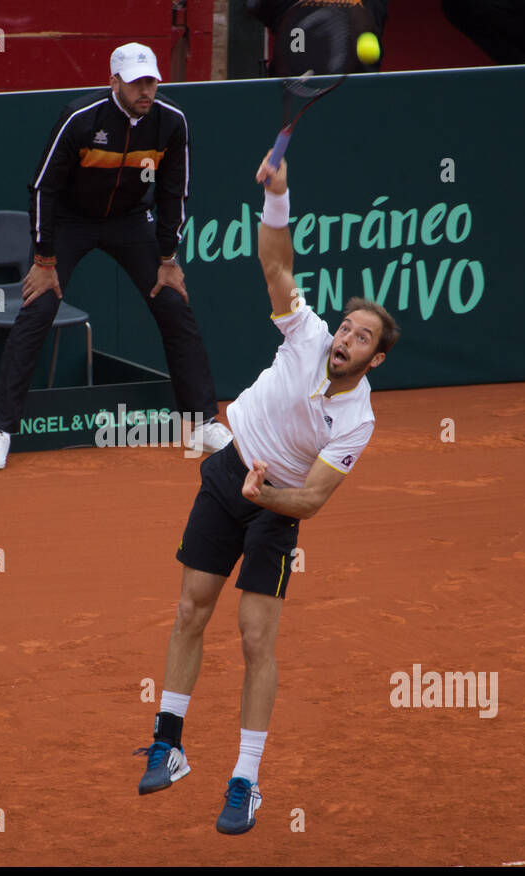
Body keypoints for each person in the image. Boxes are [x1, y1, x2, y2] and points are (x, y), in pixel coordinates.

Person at [135, 151, 399, 834]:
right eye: (346, 328)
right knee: (192, 607)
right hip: (228, 474)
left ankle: (245, 780)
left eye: (360, 338)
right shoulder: (307, 335)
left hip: (275, 506)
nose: (344, 339)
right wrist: (277, 197)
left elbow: (310, 502)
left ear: (377, 358)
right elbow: (277, 267)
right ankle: (169, 743)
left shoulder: (357, 420)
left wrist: (266, 497)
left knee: (255, 638)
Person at [0, 42, 231, 470]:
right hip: (70, 222)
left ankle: (203, 422)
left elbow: (174, 193)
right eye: (135, 83)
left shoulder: (171, 122)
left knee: (173, 306)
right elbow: (43, 188)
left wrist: (168, 258)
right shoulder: (79, 118)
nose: (145, 91)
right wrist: (44, 260)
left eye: (150, 81)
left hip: (131, 222)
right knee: (37, 309)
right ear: (114, 82)